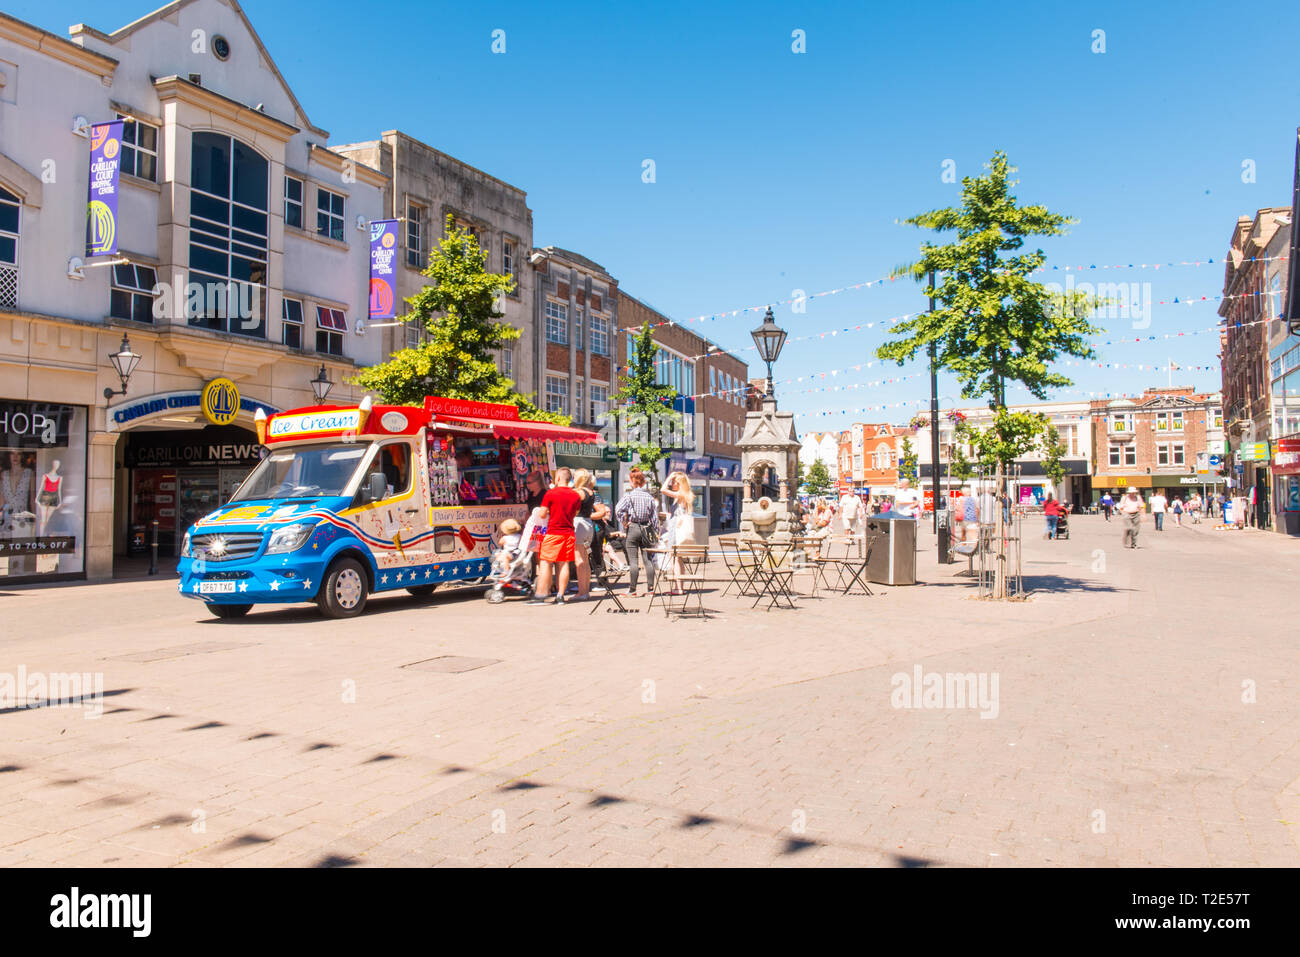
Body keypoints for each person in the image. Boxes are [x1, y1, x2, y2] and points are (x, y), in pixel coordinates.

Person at [529, 467, 581, 605]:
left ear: (558, 478)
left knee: (546, 562)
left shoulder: (551, 494)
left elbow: (542, 514)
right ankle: (560, 595)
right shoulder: (576, 495)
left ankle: (541, 594)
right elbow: (575, 513)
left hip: (553, 532)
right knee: (563, 564)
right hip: (569, 533)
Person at [615, 467, 661, 597]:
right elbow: (654, 518)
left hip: (633, 528)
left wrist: (623, 522)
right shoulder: (649, 497)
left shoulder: (628, 496)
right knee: (648, 560)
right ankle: (651, 589)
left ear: (632, 481)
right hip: (647, 528)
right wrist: (656, 532)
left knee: (633, 560)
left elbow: (618, 509)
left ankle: (632, 589)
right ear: (643, 482)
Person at [657, 471, 696, 586]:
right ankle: (679, 586)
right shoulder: (683, 495)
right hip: (676, 528)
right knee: (678, 559)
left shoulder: (680, 494)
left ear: (679, 483)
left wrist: (669, 477)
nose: (671, 484)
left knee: (674, 558)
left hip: (676, 530)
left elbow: (663, 490)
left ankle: (678, 587)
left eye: (674, 482)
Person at [571, 468, 599, 600]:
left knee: (579, 559)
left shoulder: (578, 492)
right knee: (585, 559)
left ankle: (581, 592)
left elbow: (574, 510)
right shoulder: (591, 492)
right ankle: (585, 590)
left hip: (579, 524)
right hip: (588, 523)